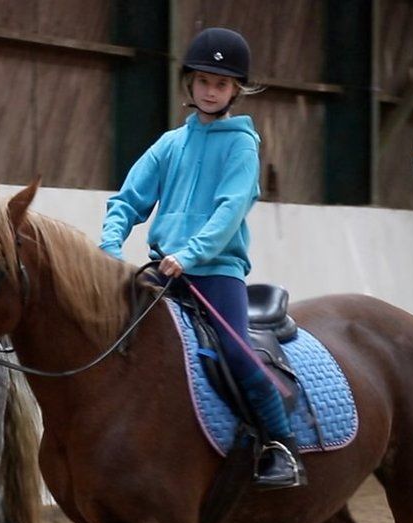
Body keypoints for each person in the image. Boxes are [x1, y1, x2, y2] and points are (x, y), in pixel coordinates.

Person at [99, 28, 305, 489]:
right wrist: (110, 249)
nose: (211, 91)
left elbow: (229, 212)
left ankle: (280, 444)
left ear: (236, 90)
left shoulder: (242, 145)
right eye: (204, 81)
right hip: (162, 273)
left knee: (235, 352)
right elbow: (127, 201)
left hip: (215, 274)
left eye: (222, 83)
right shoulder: (170, 144)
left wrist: (190, 255)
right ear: (189, 84)